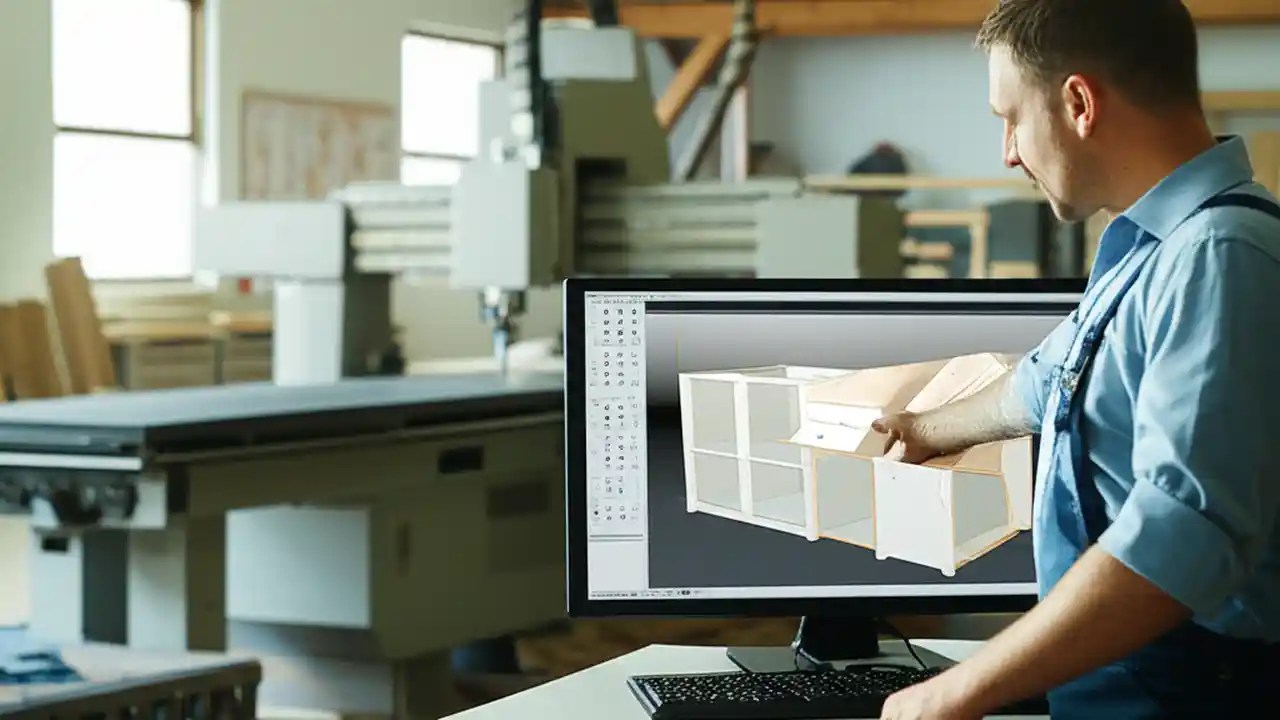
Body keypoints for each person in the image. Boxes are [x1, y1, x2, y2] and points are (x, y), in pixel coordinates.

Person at [873, 1, 1280, 718]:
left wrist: (949, 694)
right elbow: (1040, 384)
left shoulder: (1218, 256)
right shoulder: (1148, 252)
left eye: (1010, 118)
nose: (1008, 151)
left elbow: (1184, 530)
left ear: (1079, 103)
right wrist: (925, 428)